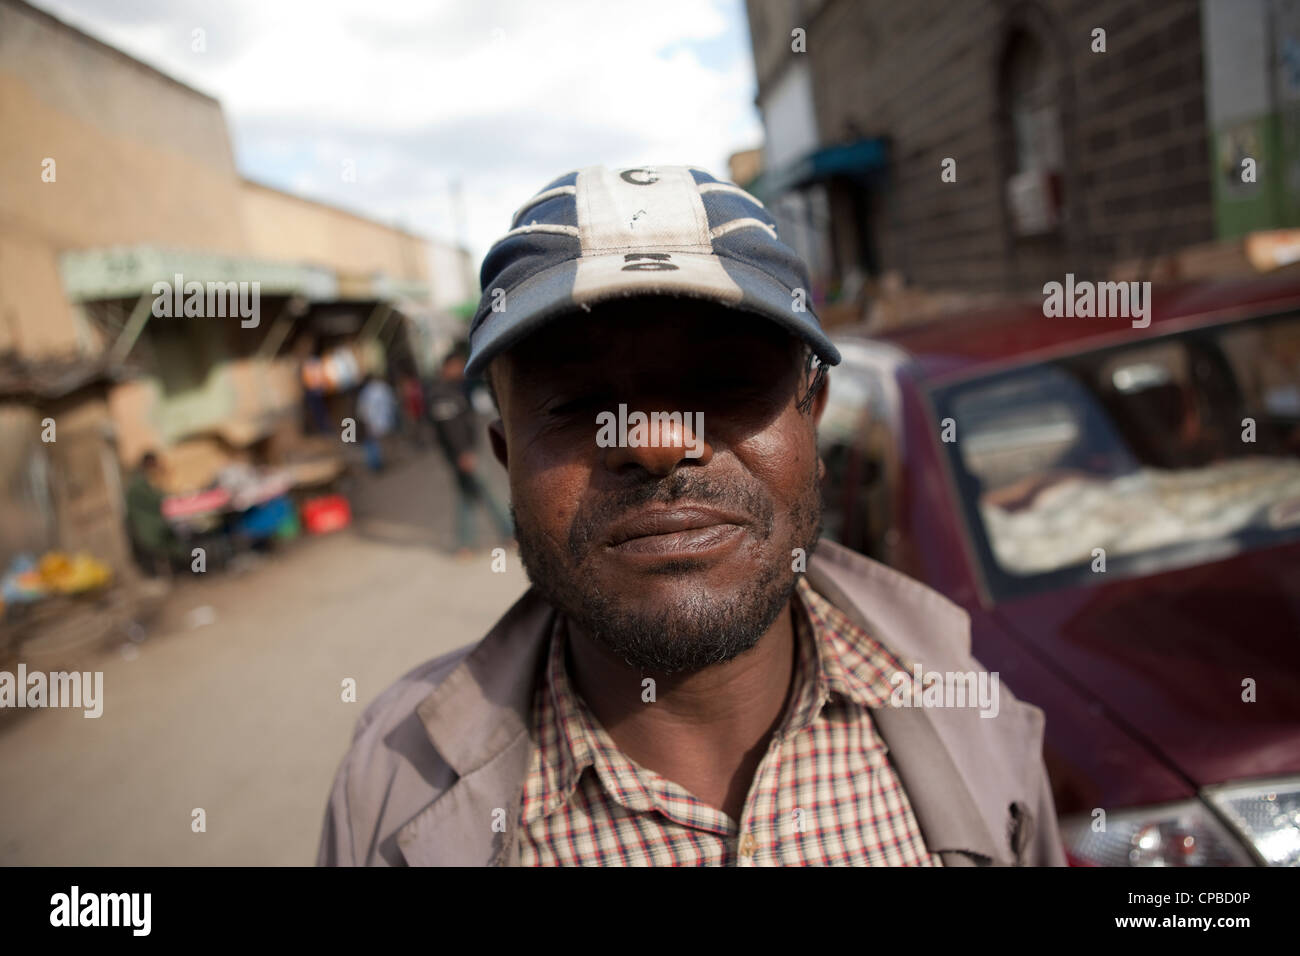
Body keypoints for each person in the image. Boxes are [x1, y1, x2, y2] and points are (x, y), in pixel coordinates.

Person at [318, 165, 1064, 866]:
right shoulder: (390, 784)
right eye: (580, 403)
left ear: (814, 422)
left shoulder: (978, 720)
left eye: (726, 384)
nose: (657, 443)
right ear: (507, 458)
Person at [427, 342, 512, 555]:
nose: (460, 370)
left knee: (467, 496)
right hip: (464, 455)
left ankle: (466, 544)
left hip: (464, 454)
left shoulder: (455, 389)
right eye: (457, 366)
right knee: (488, 492)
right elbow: (450, 428)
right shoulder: (440, 393)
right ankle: (509, 533)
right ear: (448, 367)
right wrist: (463, 453)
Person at [124, 451, 180, 576]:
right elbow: (157, 500)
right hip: (150, 528)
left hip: (150, 525)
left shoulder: (140, 480)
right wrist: (165, 476)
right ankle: (195, 567)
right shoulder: (138, 483)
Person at [356, 373, 397, 471]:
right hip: (387, 419)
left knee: (379, 444)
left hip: (374, 423)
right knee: (389, 441)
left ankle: (384, 462)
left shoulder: (365, 393)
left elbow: (362, 411)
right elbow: (392, 402)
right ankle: (391, 460)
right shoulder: (383, 387)